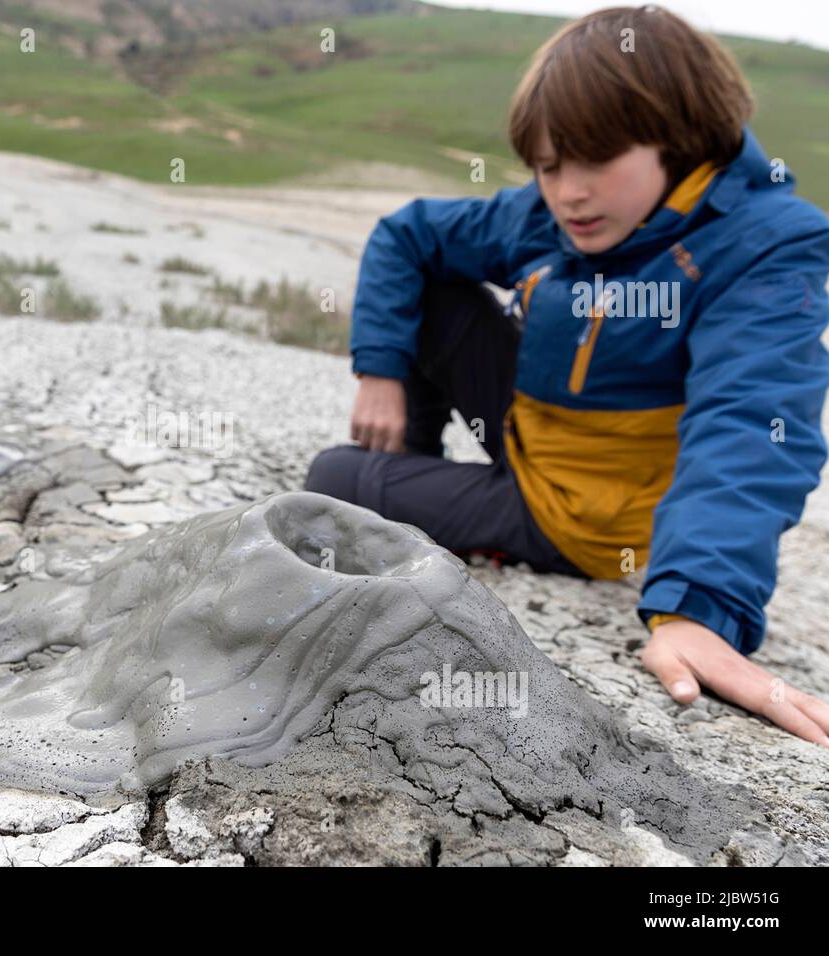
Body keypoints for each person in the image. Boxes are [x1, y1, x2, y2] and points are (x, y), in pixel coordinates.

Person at [304, 5, 829, 747]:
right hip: (529, 436)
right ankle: (418, 482)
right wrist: (380, 371)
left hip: (585, 517)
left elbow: (751, 424)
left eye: (593, 160)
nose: (567, 193)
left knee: (333, 478)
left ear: (678, 139)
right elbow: (407, 235)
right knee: (435, 289)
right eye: (548, 166)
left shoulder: (765, 245)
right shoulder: (552, 216)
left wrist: (697, 613)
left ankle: (422, 504)